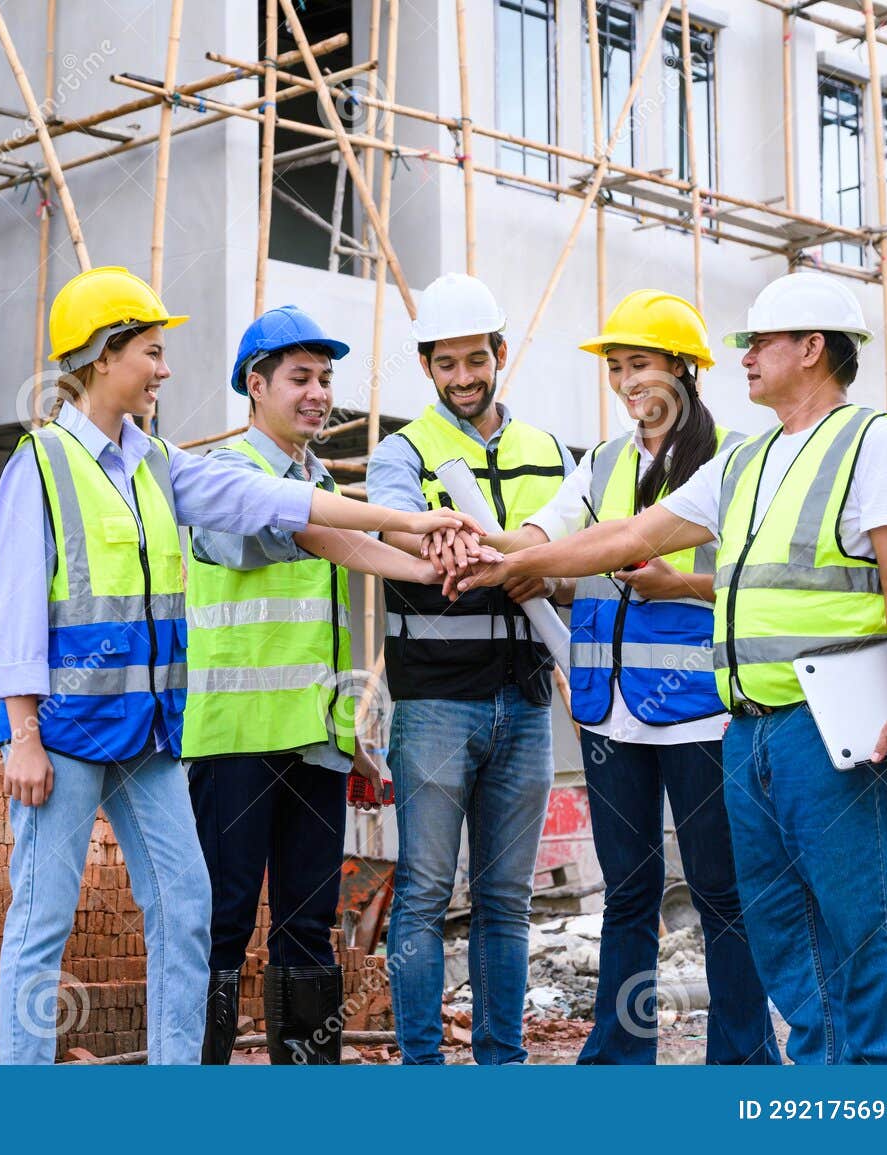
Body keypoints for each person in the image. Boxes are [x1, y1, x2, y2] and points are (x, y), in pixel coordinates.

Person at [0, 267, 477, 1065]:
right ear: (105, 354)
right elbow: (13, 611)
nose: (165, 368)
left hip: (148, 737)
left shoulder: (160, 465)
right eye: (151, 351)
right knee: (43, 920)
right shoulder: (40, 464)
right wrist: (23, 734)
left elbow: (288, 508)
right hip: (69, 731)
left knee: (185, 909)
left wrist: (408, 526)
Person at [456, 272, 887, 1065]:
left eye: (760, 342)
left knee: (859, 919)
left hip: (826, 726)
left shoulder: (871, 441)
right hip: (749, 728)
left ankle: (879, 1088)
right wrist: (503, 554)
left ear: (812, 348)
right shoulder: (746, 462)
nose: (743, 356)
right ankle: (820, 1084)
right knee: (783, 923)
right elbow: (621, 535)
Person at [482, 290, 774, 1064]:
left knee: (719, 891)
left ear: (682, 370)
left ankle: (742, 1056)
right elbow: (545, 532)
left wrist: (680, 584)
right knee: (630, 893)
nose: (624, 380)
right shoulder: (604, 462)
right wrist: (490, 548)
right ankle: (618, 1054)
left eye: (639, 364)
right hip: (611, 713)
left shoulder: (736, 459)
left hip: (699, 711)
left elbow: (761, 577)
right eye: (616, 367)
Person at [186, 306, 455, 1066]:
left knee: (308, 922)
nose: (318, 392)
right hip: (237, 739)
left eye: (326, 378)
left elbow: (324, 626)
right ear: (255, 383)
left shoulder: (319, 477)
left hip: (316, 745)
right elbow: (312, 528)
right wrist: (424, 553)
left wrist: (353, 737)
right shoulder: (227, 477)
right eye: (300, 377)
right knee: (222, 920)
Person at [366, 273, 573, 1065]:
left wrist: (539, 570)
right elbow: (392, 528)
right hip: (434, 705)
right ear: (427, 367)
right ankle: (424, 1068)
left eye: (474, 360)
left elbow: (578, 557)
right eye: (445, 364)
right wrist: (436, 538)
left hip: (524, 706)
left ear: (500, 353)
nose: (462, 378)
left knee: (505, 901)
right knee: (421, 893)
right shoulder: (404, 452)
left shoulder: (550, 452)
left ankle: (502, 1067)